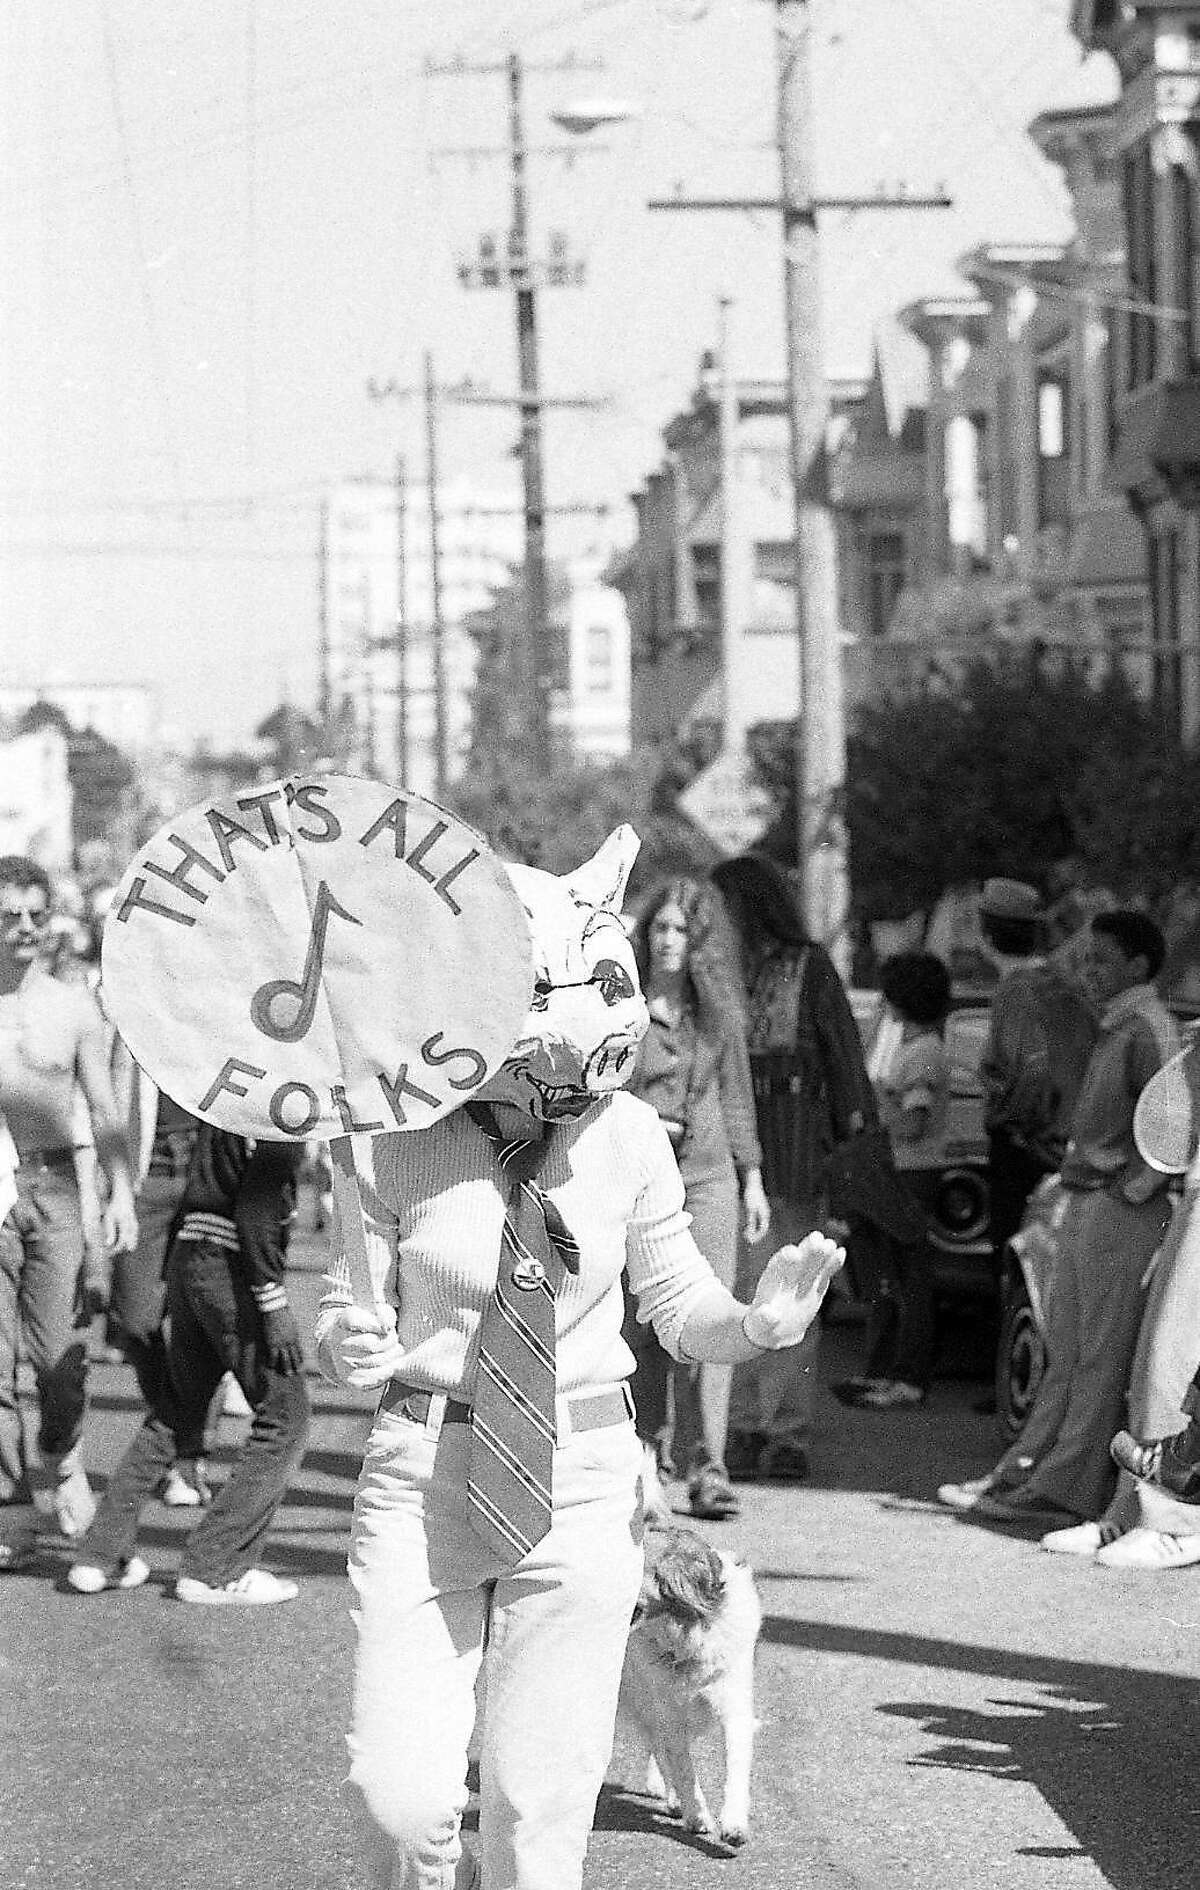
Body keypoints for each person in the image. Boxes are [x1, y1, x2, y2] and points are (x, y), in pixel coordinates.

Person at [315, 830, 846, 1890]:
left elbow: (678, 1300)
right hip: (424, 1473)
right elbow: (345, 1303)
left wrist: (756, 1324)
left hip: (587, 1476)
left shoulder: (634, 1136)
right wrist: (345, 1340)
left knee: (539, 1808)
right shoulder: (380, 1138)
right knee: (404, 1799)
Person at [938, 909, 1178, 1527]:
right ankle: (1028, 1473)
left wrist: (1131, 1189)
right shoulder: (1123, 1023)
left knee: (1094, 1355)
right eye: (1088, 959)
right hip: (1090, 1199)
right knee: (1067, 1351)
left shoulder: (1144, 1026)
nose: (1090, 972)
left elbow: (1174, 1129)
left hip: (1116, 1208)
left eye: (1103, 961)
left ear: (1138, 965)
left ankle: (1061, 1486)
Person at [67, 1117, 310, 1603]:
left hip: (190, 1254)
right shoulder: (288, 1091)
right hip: (234, 1267)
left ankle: (99, 1555)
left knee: (177, 1410)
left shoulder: (225, 1086)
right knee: (286, 1418)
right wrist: (272, 1300)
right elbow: (259, 1209)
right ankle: (215, 1566)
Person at [710, 850, 876, 1482]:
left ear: (749, 906)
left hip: (798, 1154)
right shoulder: (716, 972)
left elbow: (845, 1062)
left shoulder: (810, 967)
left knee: (796, 1297)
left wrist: (851, 1150)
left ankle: (788, 1433)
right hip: (728, 1156)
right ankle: (744, 1427)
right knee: (737, 1297)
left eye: (722, 906)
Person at [0, 855, 138, 1569]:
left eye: (34, 914)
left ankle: (62, 1457)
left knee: (56, 1360)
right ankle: (13, 1507)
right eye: (9, 915)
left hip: (53, 1189)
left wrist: (117, 1192)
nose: (24, 929)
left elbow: (107, 1111)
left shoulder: (74, 1007)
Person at [623, 876, 770, 1520]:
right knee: (643, 1322)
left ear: (700, 941)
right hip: (638, 1176)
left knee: (713, 1317)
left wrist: (753, 1177)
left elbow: (738, 1097)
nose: (669, 941)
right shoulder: (621, 1005)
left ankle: (709, 1468)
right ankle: (645, 1461)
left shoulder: (720, 1013)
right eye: (660, 927)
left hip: (710, 1177)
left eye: (683, 929)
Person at [834, 950, 951, 1410]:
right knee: (893, 1279)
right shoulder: (916, 1045)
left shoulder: (922, 1053)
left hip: (912, 1173)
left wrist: (879, 1117)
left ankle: (907, 1376)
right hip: (901, 1173)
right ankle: (886, 1372)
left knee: (909, 1280)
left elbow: (915, 1120)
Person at [978, 877, 1098, 1278]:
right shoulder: (1061, 986)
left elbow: (1030, 1070)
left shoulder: (1016, 991)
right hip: (1065, 1146)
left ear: (986, 934)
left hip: (1026, 1150)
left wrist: (1009, 1120)